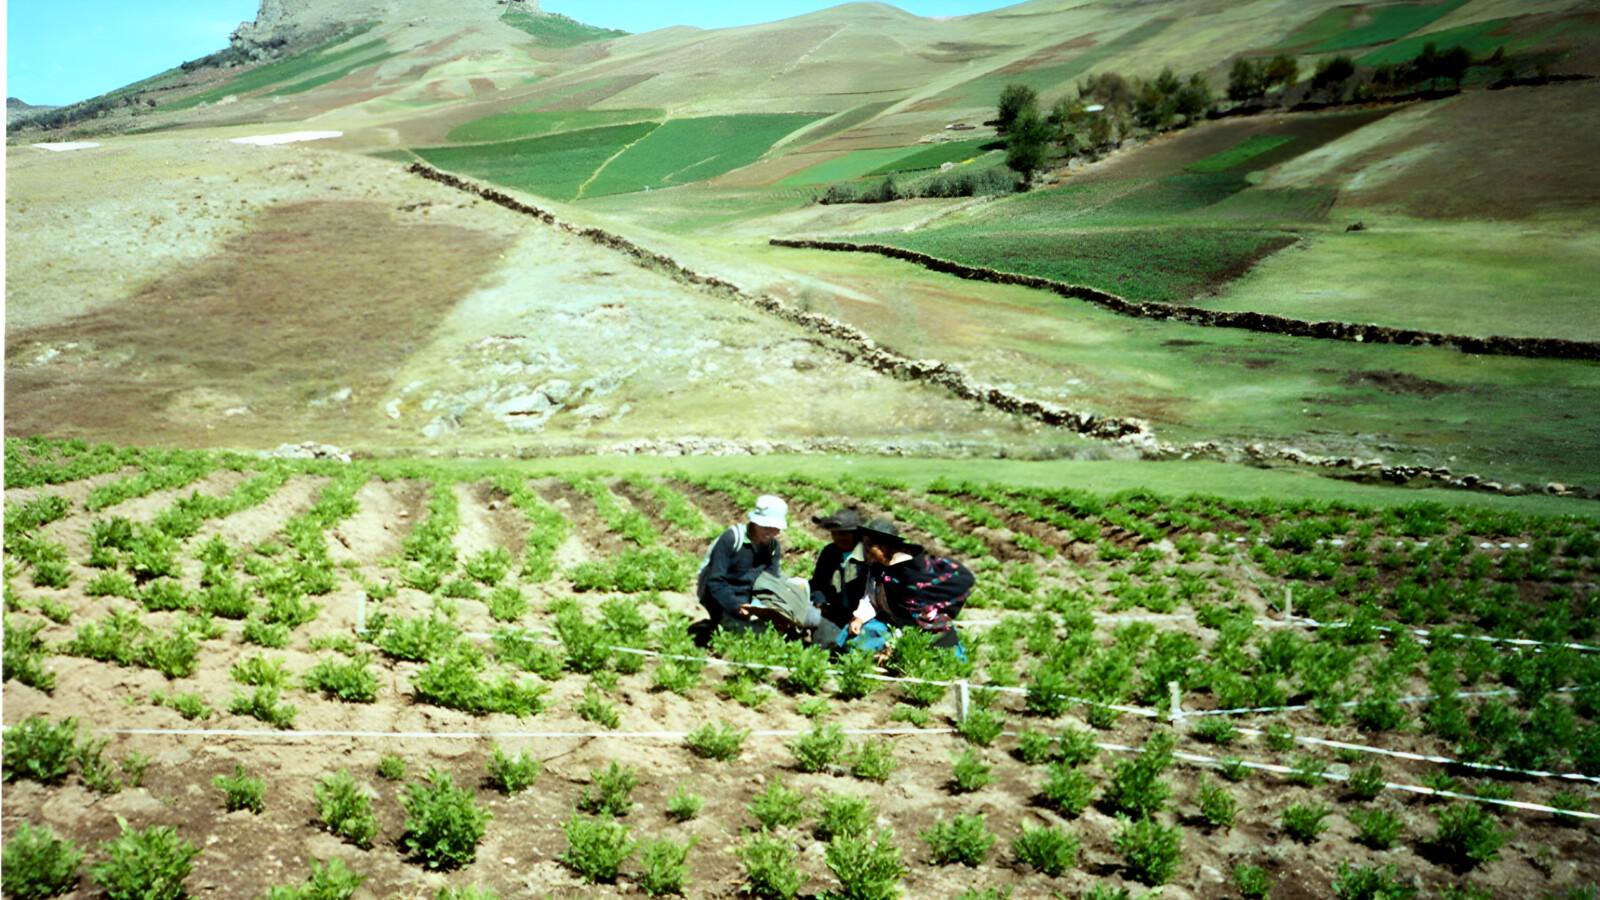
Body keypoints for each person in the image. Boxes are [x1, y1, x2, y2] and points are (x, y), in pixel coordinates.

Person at [851, 518, 974, 658]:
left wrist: (899, 641)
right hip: (892, 622)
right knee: (857, 640)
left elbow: (927, 616)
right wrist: (860, 618)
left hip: (924, 626)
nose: (865, 550)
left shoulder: (912, 574)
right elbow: (872, 596)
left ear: (884, 547)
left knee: (940, 657)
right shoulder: (877, 569)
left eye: (869, 545)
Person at [696, 494, 788, 632]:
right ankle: (717, 622)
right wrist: (736, 606)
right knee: (751, 633)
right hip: (722, 598)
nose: (770, 532)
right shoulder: (731, 539)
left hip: (749, 600)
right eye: (765, 526)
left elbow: (771, 580)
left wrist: (767, 608)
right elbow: (715, 581)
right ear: (754, 522)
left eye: (775, 528)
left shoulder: (773, 547)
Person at [807, 508, 872, 648]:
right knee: (825, 645)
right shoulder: (829, 552)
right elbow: (818, 583)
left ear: (855, 533)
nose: (839, 538)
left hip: (863, 614)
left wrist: (861, 614)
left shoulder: (868, 555)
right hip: (835, 611)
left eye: (844, 534)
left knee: (857, 645)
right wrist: (820, 602)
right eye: (835, 534)